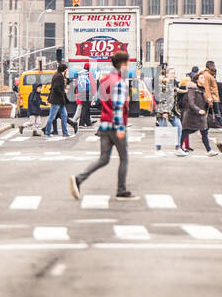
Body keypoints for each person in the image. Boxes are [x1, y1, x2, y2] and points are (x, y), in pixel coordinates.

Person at [69, 50, 138, 200]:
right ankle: (121, 190)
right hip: (115, 125)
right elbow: (118, 106)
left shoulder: (106, 79)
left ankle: (79, 179)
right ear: (122, 64)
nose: (128, 66)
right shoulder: (119, 82)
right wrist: (120, 127)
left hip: (104, 124)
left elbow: (103, 100)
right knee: (124, 158)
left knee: (103, 158)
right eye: (127, 63)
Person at [178, 77, 213, 154]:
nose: (204, 80)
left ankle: (209, 150)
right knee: (186, 131)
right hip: (191, 116)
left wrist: (208, 101)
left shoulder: (201, 89)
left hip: (200, 116)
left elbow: (201, 101)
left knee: (204, 132)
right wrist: (198, 110)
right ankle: (178, 148)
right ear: (197, 80)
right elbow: (191, 103)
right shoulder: (192, 89)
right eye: (202, 78)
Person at [154, 67, 180, 151]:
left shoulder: (173, 83)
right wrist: (164, 112)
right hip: (163, 111)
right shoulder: (163, 84)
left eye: (174, 73)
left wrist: (177, 110)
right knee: (162, 130)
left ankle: (178, 147)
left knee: (178, 127)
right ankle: (158, 148)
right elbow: (161, 98)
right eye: (171, 73)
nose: (173, 75)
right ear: (167, 74)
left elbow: (174, 98)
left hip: (172, 111)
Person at [45, 63, 74, 137]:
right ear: (64, 70)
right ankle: (47, 132)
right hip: (57, 100)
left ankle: (65, 132)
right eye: (66, 69)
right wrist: (63, 91)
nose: (67, 71)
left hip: (60, 100)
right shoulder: (59, 76)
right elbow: (56, 88)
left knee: (64, 116)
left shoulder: (58, 75)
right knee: (52, 116)